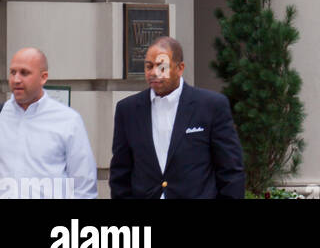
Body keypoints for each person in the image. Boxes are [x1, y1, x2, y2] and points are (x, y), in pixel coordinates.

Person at [110, 35, 244, 199]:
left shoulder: (211, 106)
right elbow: (120, 173)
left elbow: (231, 171)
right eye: (149, 66)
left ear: (180, 68)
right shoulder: (127, 110)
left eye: (162, 66)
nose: (154, 73)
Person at [0, 46, 97, 198]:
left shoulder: (68, 120)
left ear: (43, 77)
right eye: (13, 72)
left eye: (24, 73)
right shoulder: (2, 116)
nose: (16, 79)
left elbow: (84, 185)